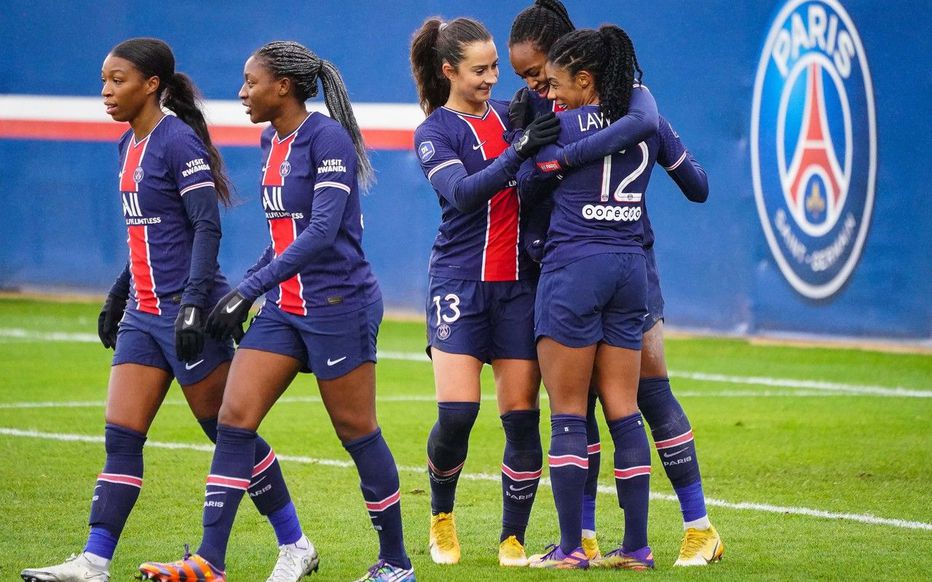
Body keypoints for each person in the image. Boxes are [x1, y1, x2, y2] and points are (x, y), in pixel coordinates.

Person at [21, 38, 312, 582]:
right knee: (121, 436)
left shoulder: (177, 142)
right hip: (142, 314)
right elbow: (148, 233)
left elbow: (205, 226)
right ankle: (94, 560)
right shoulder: (126, 145)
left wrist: (195, 305)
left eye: (119, 80)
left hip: (186, 312)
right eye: (104, 81)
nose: (107, 91)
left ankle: (295, 544)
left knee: (227, 432)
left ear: (151, 85)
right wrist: (119, 292)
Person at [136, 41, 413, 582]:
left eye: (250, 82)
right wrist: (249, 287)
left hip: (338, 305)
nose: (242, 92)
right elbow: (283, 236)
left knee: (357, 431)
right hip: (285, 309)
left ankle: (396, 563)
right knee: (233, 420)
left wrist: (247, 290)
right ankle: (209, 561)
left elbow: (322, 230)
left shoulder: (327, 138)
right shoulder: (271, 139)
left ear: (282, 86)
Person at [510, 0, 724, 567]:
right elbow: (698, 184)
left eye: (548, 79)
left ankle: (577, 547)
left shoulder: (559, 123)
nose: (543, 91)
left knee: (579, 411)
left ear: (582, 75)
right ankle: (632, 545)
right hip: (630, 266)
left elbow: (525, 184)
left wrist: (546, 156)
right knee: (623, 408)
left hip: (575, 268)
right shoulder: (644, 119)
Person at [409, 16, 561, 567]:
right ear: (449, 70)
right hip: (459, 284)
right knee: (457, 414)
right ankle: (441, 519)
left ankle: (512, 538)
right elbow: (464, 193)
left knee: (521, 416)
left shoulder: (511, 116)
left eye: (495, 67)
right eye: (480, 69)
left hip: (518, 287)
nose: (492, 78)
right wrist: (520, 149)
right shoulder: (435, 132)